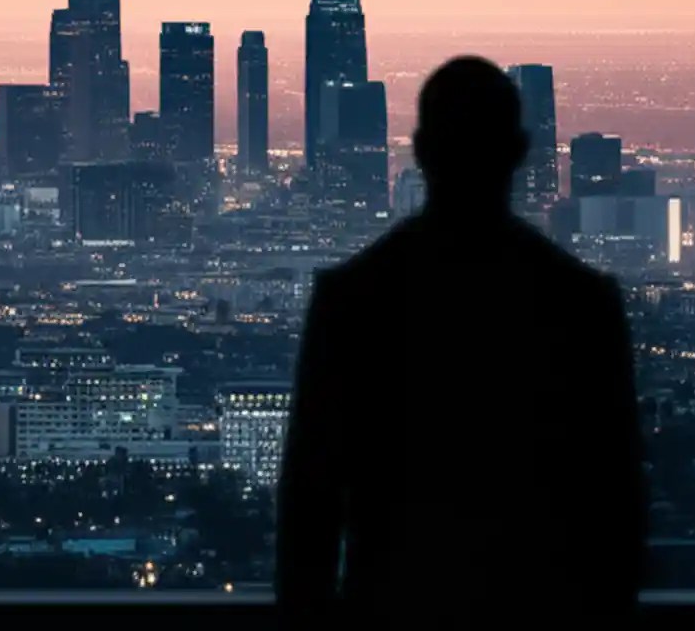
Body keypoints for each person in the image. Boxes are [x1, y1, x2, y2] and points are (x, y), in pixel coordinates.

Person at [277, 56, 646, 627]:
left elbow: (310, 509)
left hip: (391, 613)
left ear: (421, 151)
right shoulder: (580, 303)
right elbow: (614, 509)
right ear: (521, 151)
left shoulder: (351, 299)